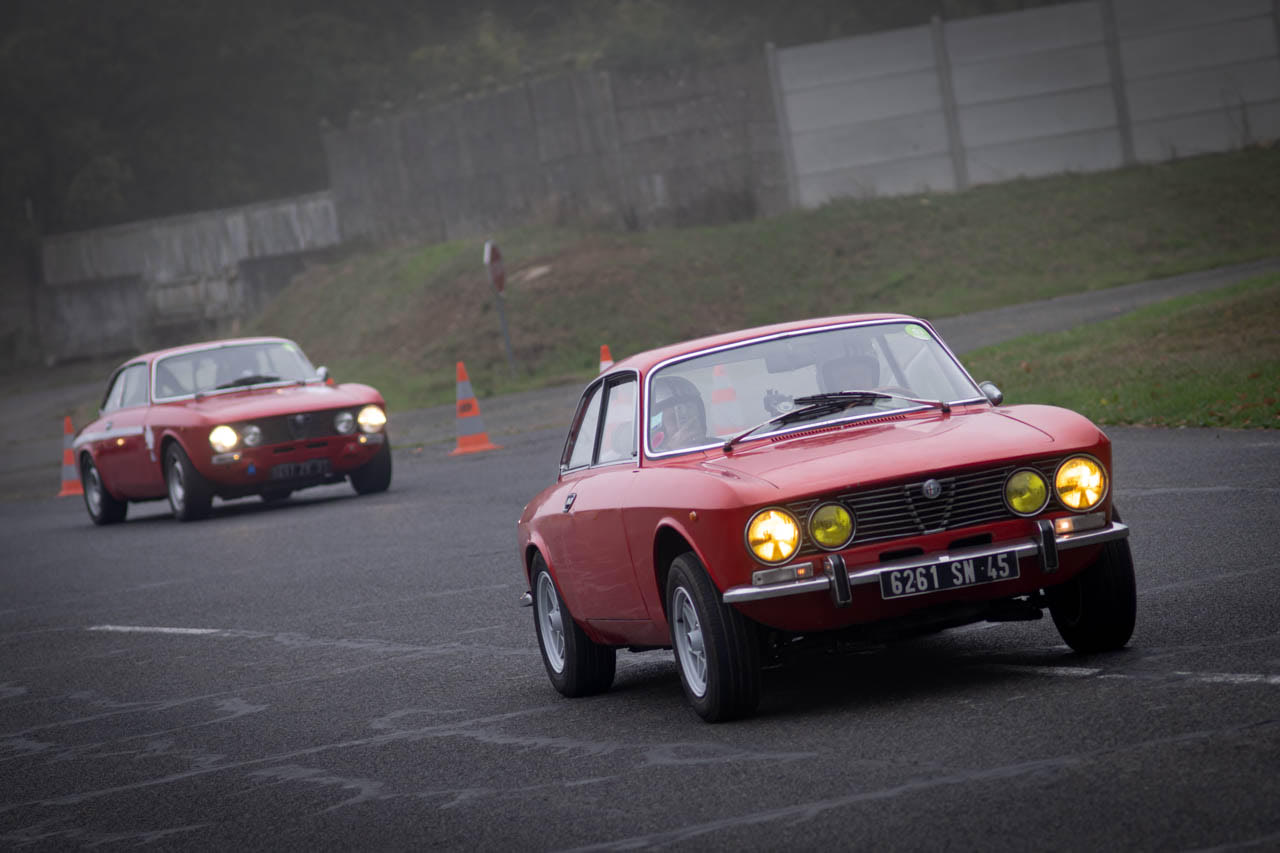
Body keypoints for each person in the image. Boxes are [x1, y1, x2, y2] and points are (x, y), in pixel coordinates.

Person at [648, 374, 710, 451]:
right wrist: (672, 449)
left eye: (692, 416)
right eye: (674, 418)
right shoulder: (652, 461)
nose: (687, 425)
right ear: (658, 429)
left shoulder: (720, 449)